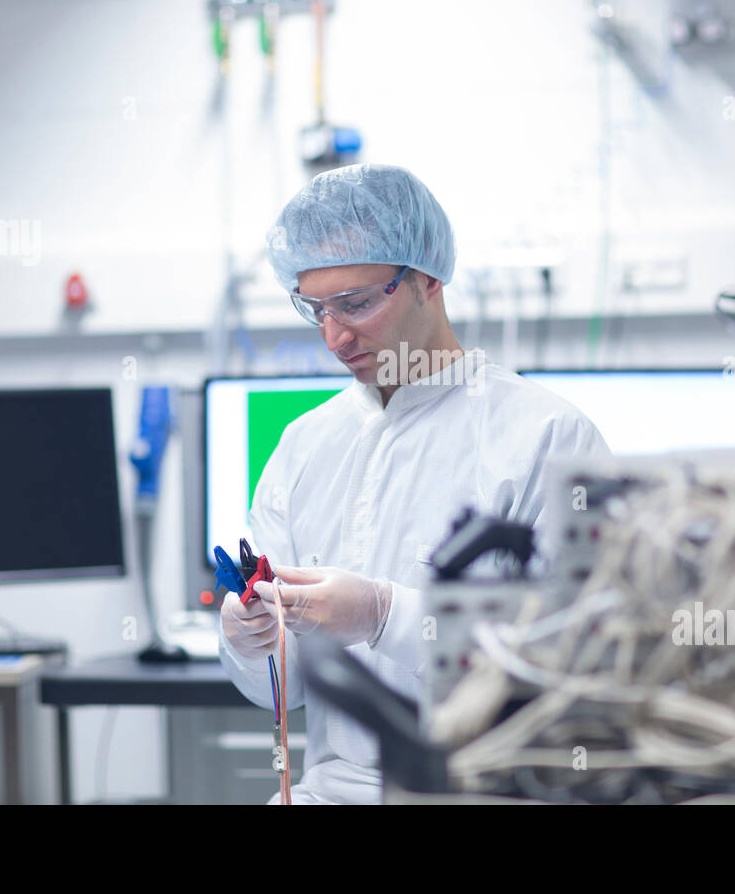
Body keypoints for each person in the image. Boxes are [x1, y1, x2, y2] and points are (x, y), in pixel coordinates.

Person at [217, 163, 610, 803]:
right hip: (334, 790)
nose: (334, 336)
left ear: (428, 277)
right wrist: (248, 640)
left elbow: (571, 666)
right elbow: (275, 690)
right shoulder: (304, 448)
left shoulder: (546, 438)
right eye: (314, 308)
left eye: (358, 303)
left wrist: (385, 613)